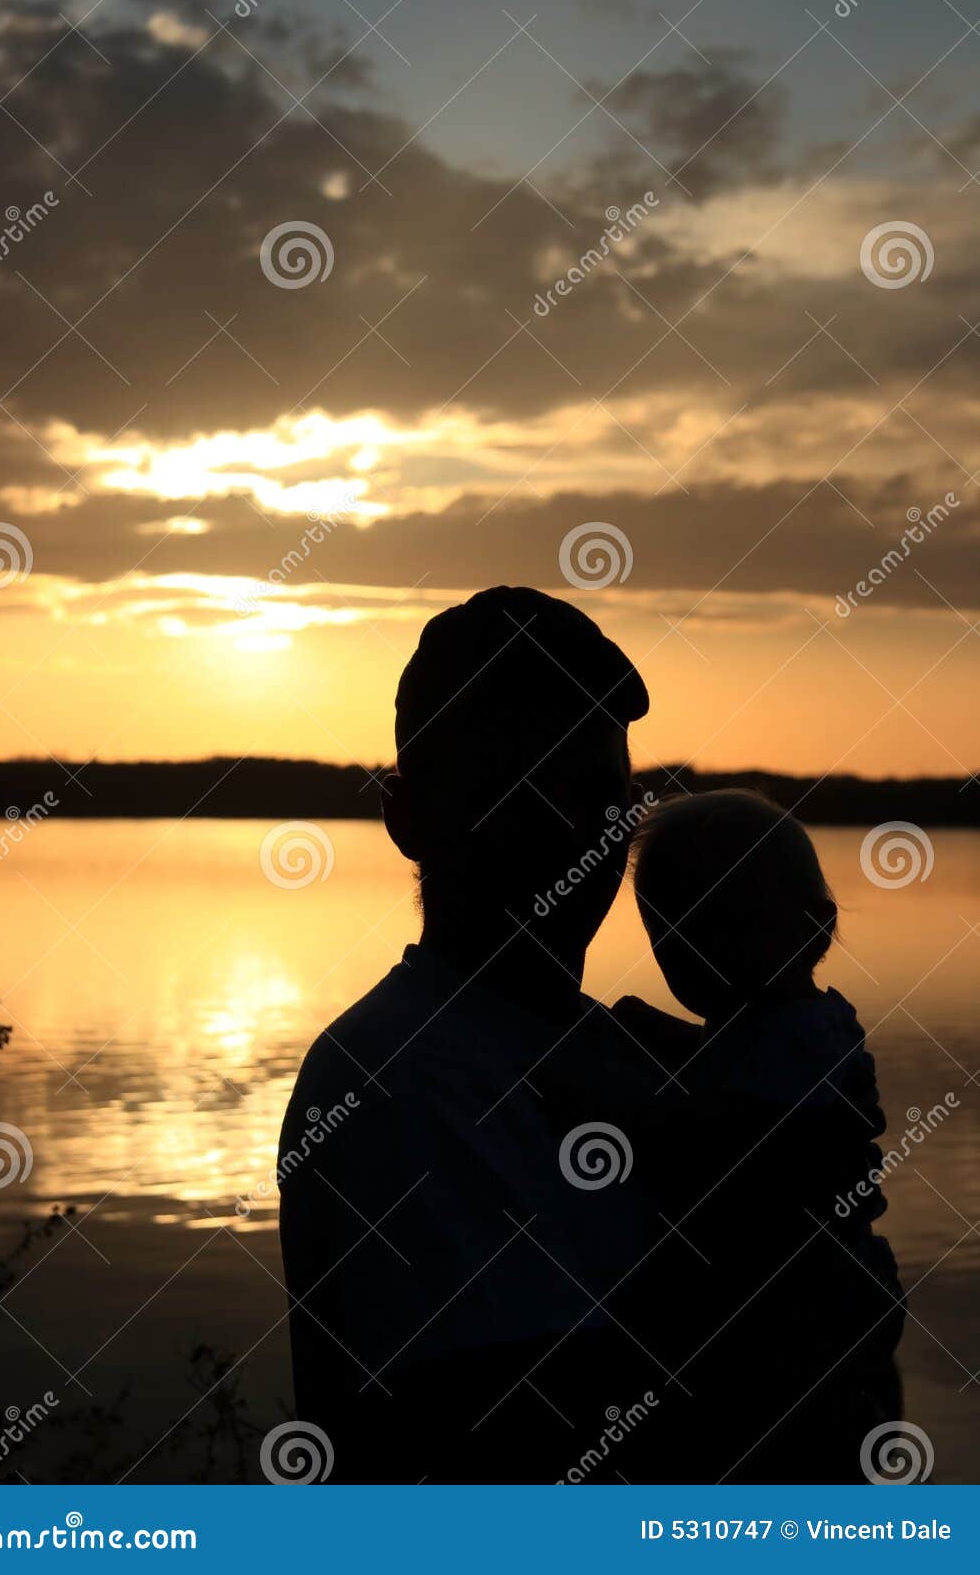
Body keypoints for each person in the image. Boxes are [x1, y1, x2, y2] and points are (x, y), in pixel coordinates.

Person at [278, 586, 698, 1482]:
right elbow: (527, 1455)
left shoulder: (620, 1059)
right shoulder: (393, 1075)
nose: (571, 827)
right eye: (513, 785)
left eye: (596, 790)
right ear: (407, 818)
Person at [619, 790, 904, 1480]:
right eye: (672, 932)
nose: (698, 952)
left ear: (814, 930)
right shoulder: (767, 1022)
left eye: (725, 924)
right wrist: (651, 1033)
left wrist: (616, 1104)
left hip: (808, 1306)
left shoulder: (804, 1035)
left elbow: (736, 1124)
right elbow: (726, 1071)